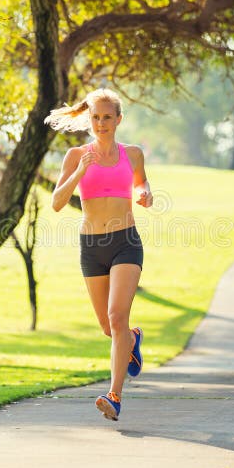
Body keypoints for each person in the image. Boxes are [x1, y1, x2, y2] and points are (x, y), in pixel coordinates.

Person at [47, 88, 153, 421]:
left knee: (117, 317)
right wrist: (80, 171)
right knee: (109, 328)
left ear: (118, 119)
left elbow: (141, 183)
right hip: (91, 247)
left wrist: (145, 193)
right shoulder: (76, 156)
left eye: (107, 117)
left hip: (125, 242)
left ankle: (114, 396)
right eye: (95, 117)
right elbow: (57, 202)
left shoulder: (132, 154)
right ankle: (132, 339)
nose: (101, 123)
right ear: (88, 120)